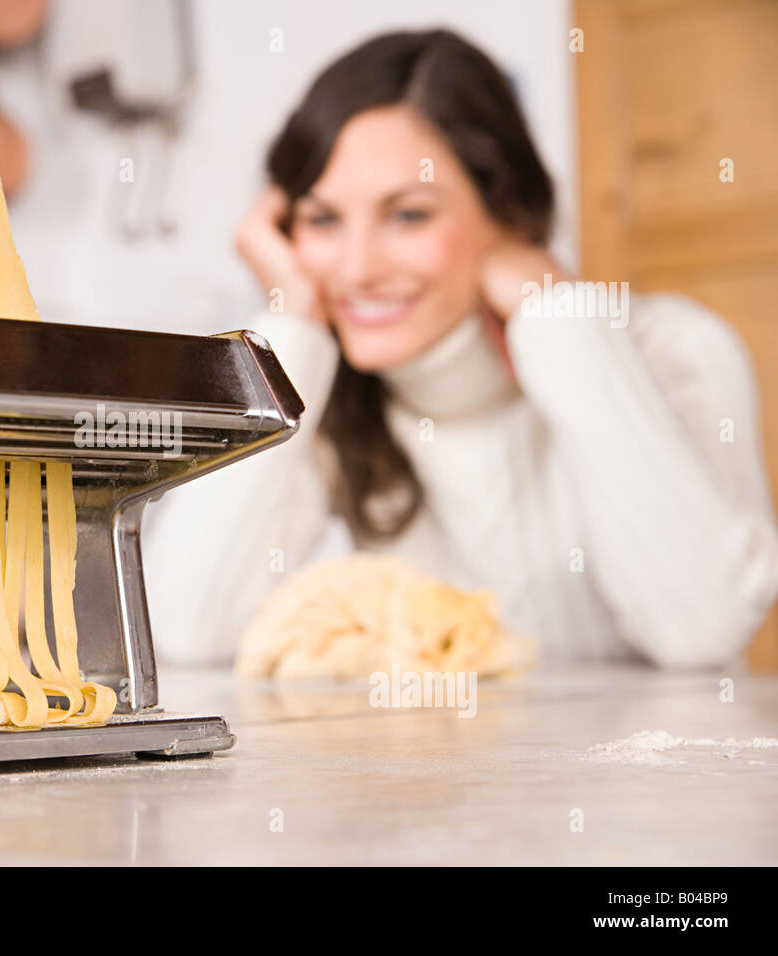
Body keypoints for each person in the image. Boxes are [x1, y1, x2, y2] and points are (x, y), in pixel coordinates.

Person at [141, 29, 778, 670]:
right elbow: (187, 631)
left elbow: (702, 632)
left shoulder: (678, 352)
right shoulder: (331, 394)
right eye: (323, 219)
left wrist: (562, 321)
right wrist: (291, 327)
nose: (357, 270)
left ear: (510, 215)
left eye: (409, 215)